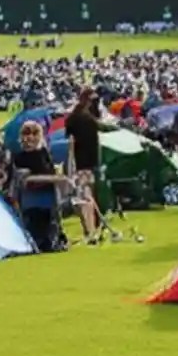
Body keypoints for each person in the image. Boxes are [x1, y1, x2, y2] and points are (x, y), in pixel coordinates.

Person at [13, 121, 67, 252]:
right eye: (26, 134)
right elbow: (26, 179)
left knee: (51, 223)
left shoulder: (44, 153)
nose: (30, 137)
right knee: (36, 227)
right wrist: (55, 179)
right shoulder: (19, 157)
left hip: (49, 195)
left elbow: (49, 171)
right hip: (31, 198)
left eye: (34, 133)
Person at [64, 88, 103, 244]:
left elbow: (69, 136)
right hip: (86, 162)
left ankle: (90, 228)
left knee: (84, 196)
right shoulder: (88, 119)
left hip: (79, 161)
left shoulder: (74, 117)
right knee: (86, 195)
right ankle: (90, 229)